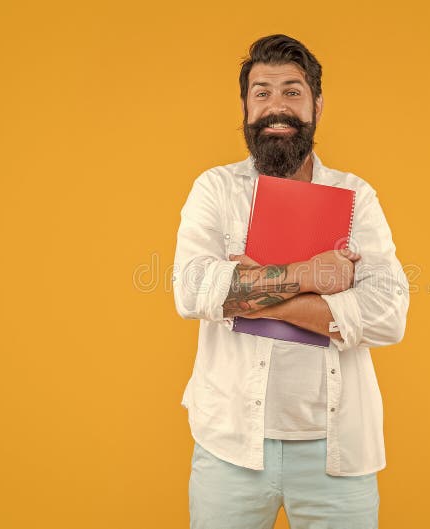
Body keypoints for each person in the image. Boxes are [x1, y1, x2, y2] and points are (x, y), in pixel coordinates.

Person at [173, 34, 409, 529]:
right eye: (262, 93)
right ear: (244, 107)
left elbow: (388, 315)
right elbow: (192, 289)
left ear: (317, 107)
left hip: (336, 454)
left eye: (291, 91)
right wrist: (309, 277)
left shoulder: (356, 197)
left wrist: (245, 292)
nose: (276, 107)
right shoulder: (214, 189)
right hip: (230, 448)